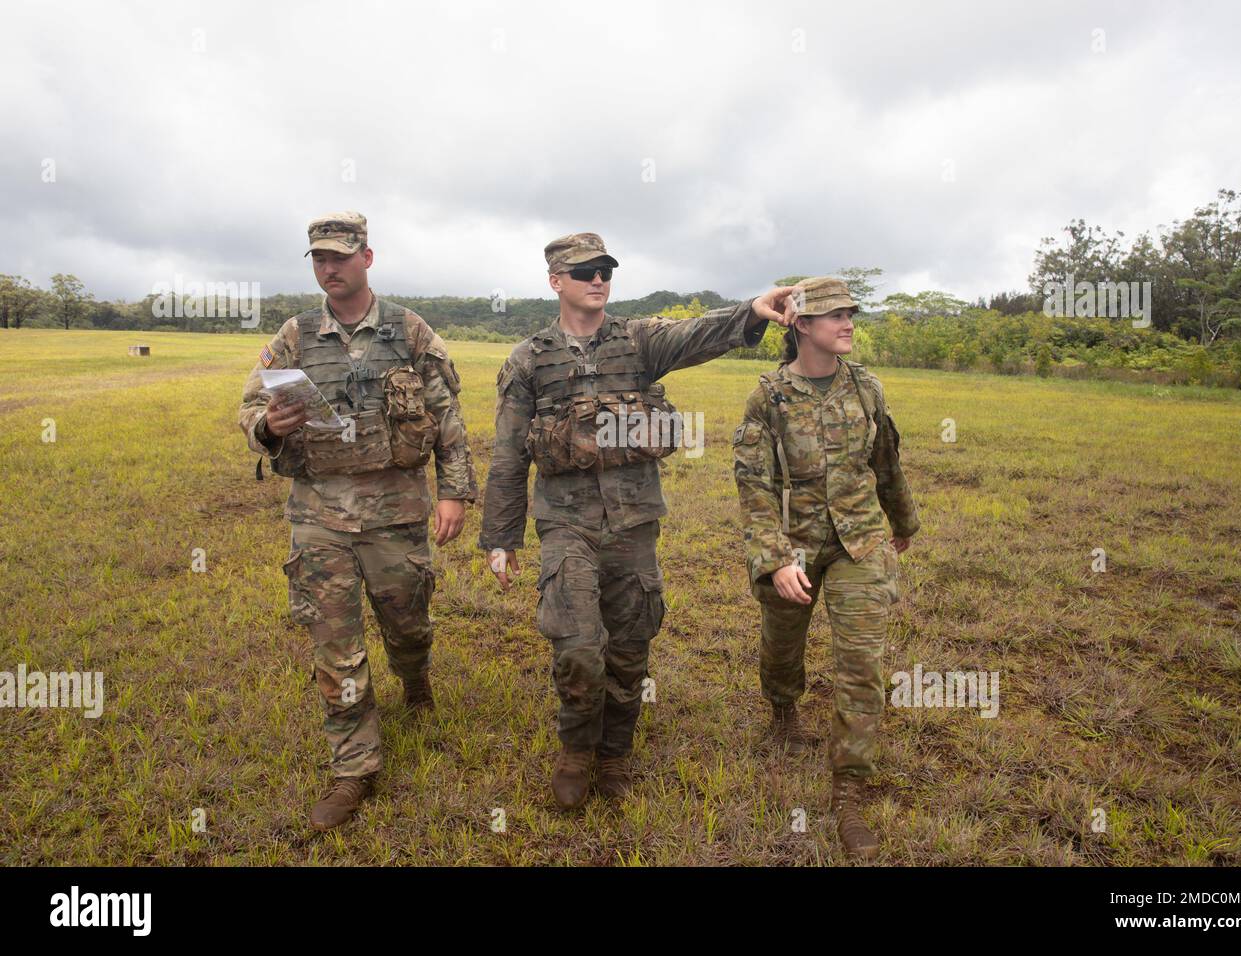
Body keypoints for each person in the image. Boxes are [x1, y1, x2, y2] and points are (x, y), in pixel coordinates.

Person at [479, 231, 797, 809]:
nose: (598, 279)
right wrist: (501, 538)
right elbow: (507, 456)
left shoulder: (639, 341)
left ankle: (615, 755)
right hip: (566, 524)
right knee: (576, 644)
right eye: (584, 272)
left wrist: (751, 312)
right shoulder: (528, 359)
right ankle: (576, 750)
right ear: (556, 282)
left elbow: (695, 334)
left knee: (629, 647)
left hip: (633, 522)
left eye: (605, 270)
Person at [237, 211, 477, 830]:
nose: (328, 268)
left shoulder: (409, 330)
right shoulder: (294, 335)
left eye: (339, 257)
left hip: (396, 513)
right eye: (318, 259)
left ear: (367, 258)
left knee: (407, 624)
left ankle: (414, 678)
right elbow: (251, 405)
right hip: (318, 515)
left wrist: (453, 492)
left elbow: (447, 415)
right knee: (335, 644)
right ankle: (353, 767)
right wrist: (268, 425)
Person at [731, 275, 920, 859]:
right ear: (801, 325)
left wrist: (903, 523)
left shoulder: (866, 388)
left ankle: (849, 789)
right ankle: (783, 707)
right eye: (834, 315)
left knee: (861, 662)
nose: (848, 324)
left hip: (860, 544)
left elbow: (886, 459)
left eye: (851, 314)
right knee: (782, 644)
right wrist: (777, 558)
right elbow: (754, 486)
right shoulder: (769, 397)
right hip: (795, 545)